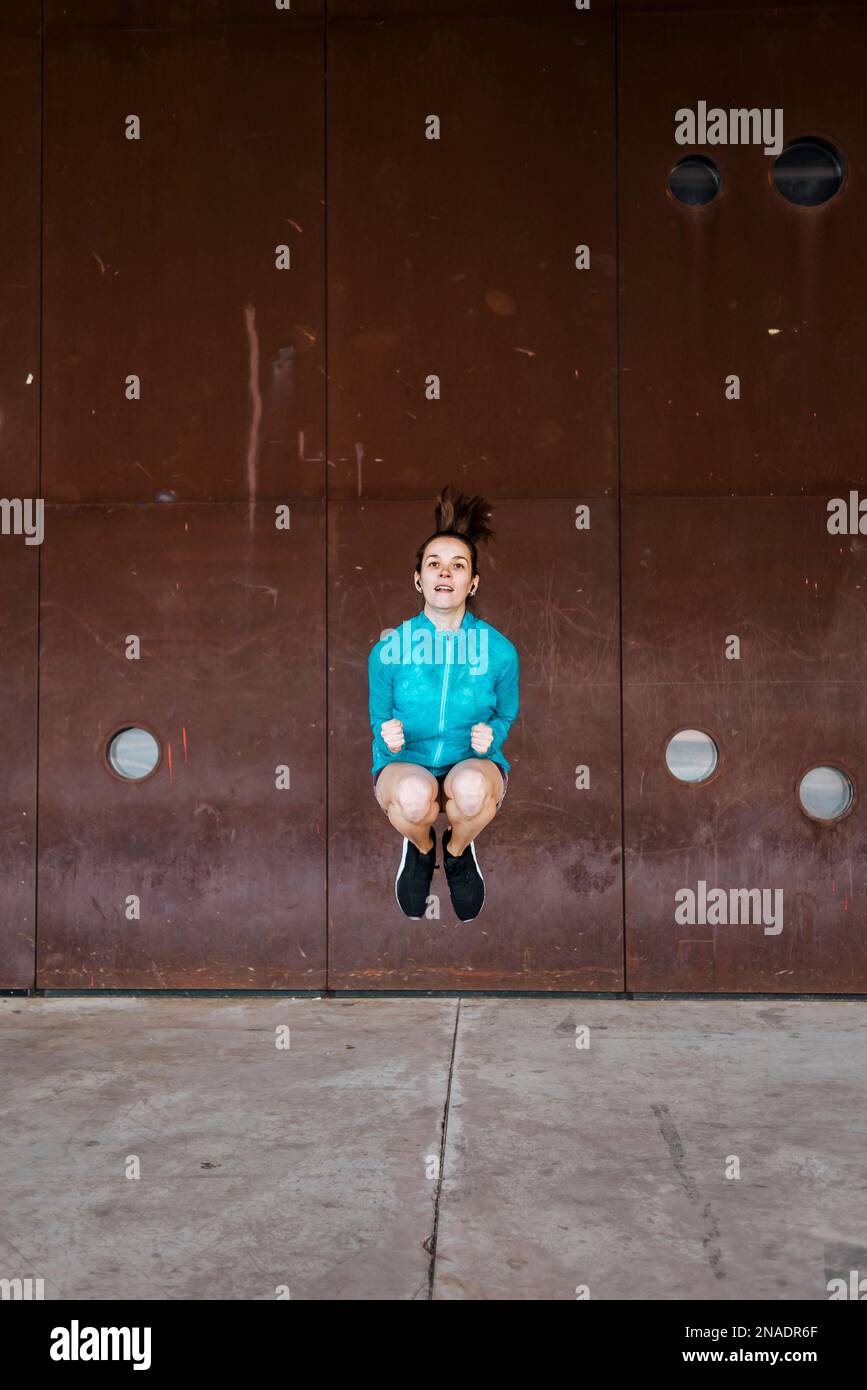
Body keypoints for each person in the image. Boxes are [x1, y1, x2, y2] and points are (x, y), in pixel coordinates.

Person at [368, 485, 520, 922]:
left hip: (470, 762)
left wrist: (495, 734)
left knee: (471, 794)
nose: (445, 574)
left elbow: (506, 712)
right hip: (407, 764)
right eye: (434, 565)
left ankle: (456, 851)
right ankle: (420, 848)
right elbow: (379, 721)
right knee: (416, 798)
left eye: (458, 566)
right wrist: (388, 735)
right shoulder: (389, 649)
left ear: (472, 582)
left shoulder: (499, 650)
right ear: (418, 578)